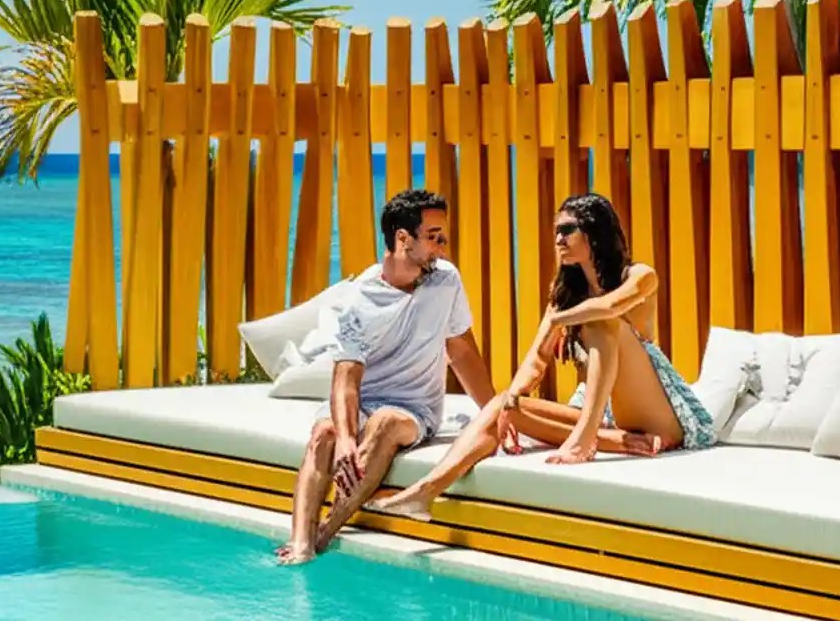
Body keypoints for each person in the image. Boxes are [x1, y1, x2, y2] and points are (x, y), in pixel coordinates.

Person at [368, 192, 718, 520]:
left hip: (663, 418)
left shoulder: (639, 276)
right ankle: (424, 492)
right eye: (556, 232)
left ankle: (584, 442)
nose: (559, 240)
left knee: (601, 322)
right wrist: (512, 403)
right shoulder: (566, 297)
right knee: (500, 405)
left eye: (568, 230)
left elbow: (611, 305)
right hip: (612, 419)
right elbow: (535, 362)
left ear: (594, 232)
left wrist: (561, 319)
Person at [275, 189, 496, 565]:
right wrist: (345, 438)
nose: (441, 248)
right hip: (362, 402)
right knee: (323, 435)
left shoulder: (446, 281)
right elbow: (346, 379)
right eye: (433, 237)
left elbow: (461, 351)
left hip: (414, 409)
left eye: (443, 237)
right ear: (402, 238)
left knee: (385, 422)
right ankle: (299, 541)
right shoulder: (358, 299)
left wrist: (493, 412)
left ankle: (325, 531)